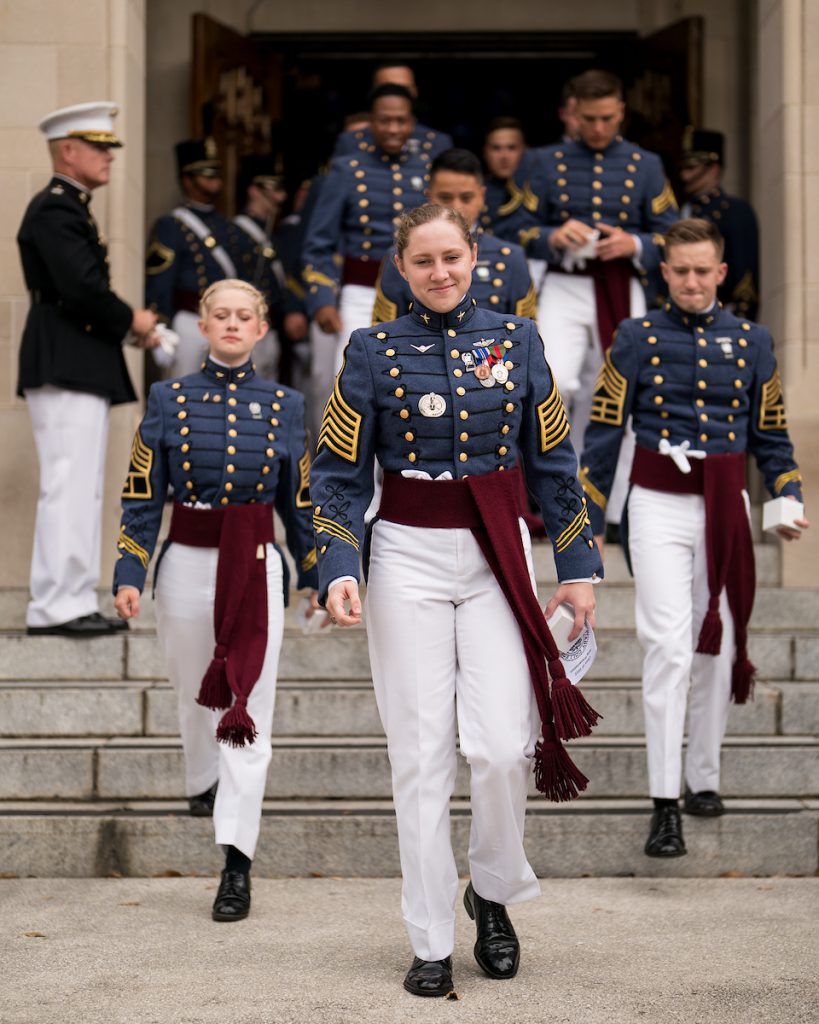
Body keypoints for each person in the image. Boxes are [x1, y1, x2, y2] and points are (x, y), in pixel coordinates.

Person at [311, 204, 603, 996]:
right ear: (400, 269)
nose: (438, 272)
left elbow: (554, 461)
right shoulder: (370, 350)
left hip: (493, 552)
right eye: (422, 261)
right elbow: (337, 475)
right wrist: (337, 565)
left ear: (475, 256)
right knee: (419, 756)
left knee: (503, 748)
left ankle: (491, 892)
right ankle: (430, 938)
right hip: (405, 553)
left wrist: (577, 565)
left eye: (451, 257)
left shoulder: (518, 339)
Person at [578, 218, 808, 858]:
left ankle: (703, 777)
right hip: (656, 503)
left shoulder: (753, 340)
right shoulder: (635, 336)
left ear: (721, 272)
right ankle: (664, 801)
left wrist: (787, 495)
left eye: (702, 270)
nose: (691, 281)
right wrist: (586, 525)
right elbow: (603, 434)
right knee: (668, 646)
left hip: (726, 504)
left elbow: (771, 433)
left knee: (720, 645)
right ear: (664, 272)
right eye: (680, 270)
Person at [113, 279, 319, 921]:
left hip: (255, 564)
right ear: (202, 327)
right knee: (192, 693)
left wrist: (315, 573)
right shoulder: (168, 398)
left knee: (248, 706)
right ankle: (203, 781)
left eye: (244, 316)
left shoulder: (286, 404)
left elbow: (299, 500)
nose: (232, 324)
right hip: (186, 562)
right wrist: (129, 570)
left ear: (260, 328)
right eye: (220, 315)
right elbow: (143, 491)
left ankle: (236, 861)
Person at [17, 100, 159, 638]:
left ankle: (70, 597)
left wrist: (125, 324)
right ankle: (55, 605)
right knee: (69, 483)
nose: (109, 156)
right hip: (66, 356)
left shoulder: (69, 207)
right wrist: (132, 320)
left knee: (80, 485)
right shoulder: (56, 209)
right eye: (99, 148)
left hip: (75, 356)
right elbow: (80, 289)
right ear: (68, 151)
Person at [302, 83, 430, 376]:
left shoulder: (427, 169)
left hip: (417, 294)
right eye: (385, 120)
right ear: (371, 122)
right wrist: (322, 299)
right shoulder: (346, 170)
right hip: (361, 293)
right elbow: (318, 242)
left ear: (412, 123)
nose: (393, 129)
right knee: (352, 376)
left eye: (401, 120)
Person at [373, 148, 536, 323]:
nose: (456, 207)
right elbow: (384, 332)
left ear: (482, 196)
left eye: (466, 198)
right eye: (445, 198)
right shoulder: (402, 255)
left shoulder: (512, 258)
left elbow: (523, 332)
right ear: (429, 196)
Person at [145, 138, 259, 377]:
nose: (214, 179)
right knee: (183, 392)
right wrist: (161, 328)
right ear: (187, 180)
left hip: (228, 323)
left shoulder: (229, 228)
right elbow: (160, 283)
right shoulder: (171, 225)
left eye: (216, 172)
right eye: (206, 174)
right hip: (189, 321)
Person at [233, 155, 305, 379]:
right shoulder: (235, 233)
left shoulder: (276, 234)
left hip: (270, 326)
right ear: (255, 191)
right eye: (274, 189)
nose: (281, 197)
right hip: (242, 327)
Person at [679, 128, 759, 321]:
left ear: (713, 168)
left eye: (692, 168)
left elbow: (744, 279)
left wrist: (739, 323)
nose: (684, 176)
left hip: (720, 317)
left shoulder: (735, 211)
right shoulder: (680, 212)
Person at [333, 63, 453, 160]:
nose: (396, 95)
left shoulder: (438, 143)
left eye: (404, 88)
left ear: (415, 91)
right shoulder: (351, 142)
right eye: (388, 88)